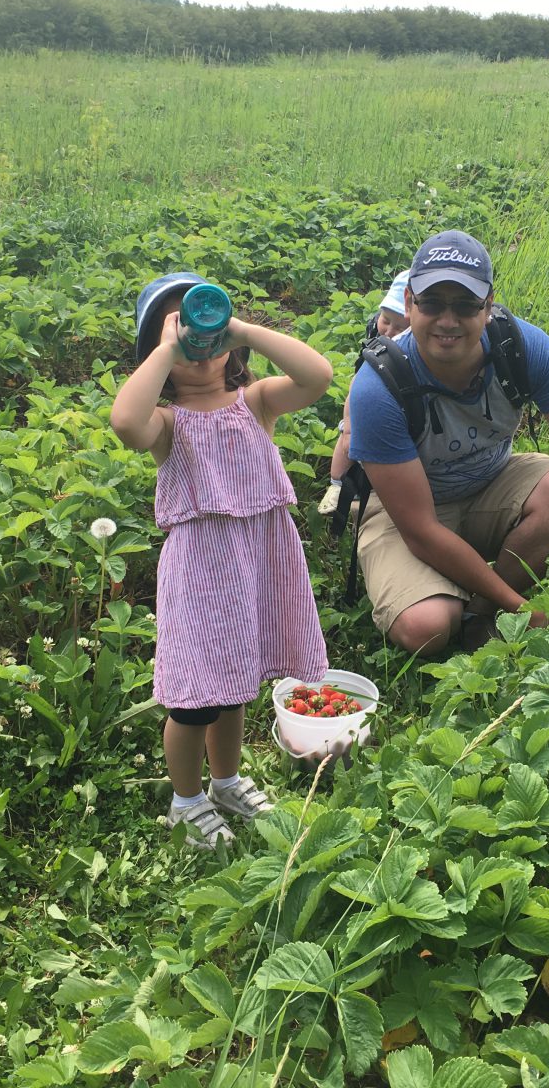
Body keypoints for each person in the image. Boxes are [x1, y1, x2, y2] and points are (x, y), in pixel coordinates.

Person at [110, 273, 333, 849]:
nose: (200, 346)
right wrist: (165, 348)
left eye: (206, 332)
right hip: (201, 573)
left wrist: (240, 329)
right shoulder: (168, 425)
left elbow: (318, 376)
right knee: (194, 700)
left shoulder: (256, 403)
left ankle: (227, 780)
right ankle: (186, 800)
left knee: (236, 686)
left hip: (257, 562)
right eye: (181, 334)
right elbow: (126, 425)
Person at [346, 229, 549, 655]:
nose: (448, 320)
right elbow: (421, 531)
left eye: (464, 305)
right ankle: (478, 607)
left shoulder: (522, 348)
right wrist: (521, 608)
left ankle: (480, 615)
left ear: (488, 306)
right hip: (404, 514)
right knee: (427, 628)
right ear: (409, 304)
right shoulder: (378, 387)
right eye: (432, 303)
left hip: (492, 480)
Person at [318, 269, 412, 516]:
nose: (389, 331)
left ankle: (374, 494)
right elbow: (356, 387)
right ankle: (336, 486)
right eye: (385, 320)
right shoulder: (376, 344)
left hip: (396, 415)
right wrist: (349, 427)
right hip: (364, 409)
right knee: (345, 445)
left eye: (400, 326)